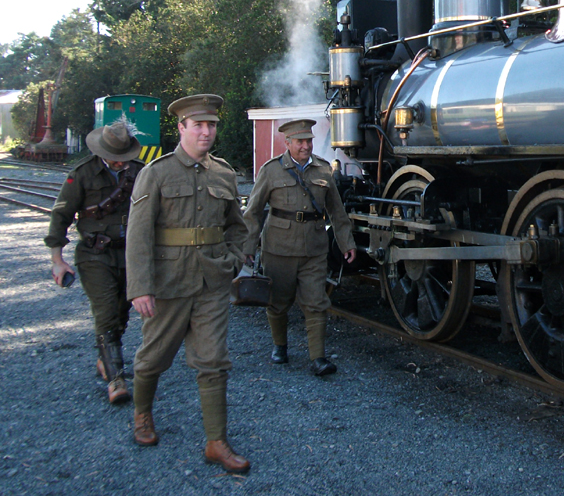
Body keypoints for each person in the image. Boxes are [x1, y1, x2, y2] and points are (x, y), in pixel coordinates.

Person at [125, 94, 251, 473]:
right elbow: (138, 234)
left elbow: (238, 227)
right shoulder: (156, 173)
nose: (206, 132)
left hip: (211, 282)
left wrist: (232, 260)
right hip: (168, 283)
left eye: (211, 125)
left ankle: (216, 441)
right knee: (153, 357)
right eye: (198, 125)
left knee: (213, 361)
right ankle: (142, 415)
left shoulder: (224, 173)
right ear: (180, 128)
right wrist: (139, 287)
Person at [243, 119, 357, 377]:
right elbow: (253, 212)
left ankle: (318, 358)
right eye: (300, 142)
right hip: (278, 248)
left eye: (309, 141)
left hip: (315, 250)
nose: (306, 146)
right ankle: (280, 346)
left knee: (316, 302)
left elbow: (337, 212)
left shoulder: (323, 170)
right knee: (278, 301)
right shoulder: (270, 171)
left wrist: (346, 243)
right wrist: (248, 247)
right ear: (288, 143)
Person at [45, 120, 144, 404]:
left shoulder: (139, 173)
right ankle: (116, 378)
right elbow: (60, 216)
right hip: (94, 254)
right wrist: (57, 260)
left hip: (130, 254)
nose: (118, 162)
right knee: (105, 311)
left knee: (122, 311)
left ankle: (106, 358)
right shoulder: (82, 174)